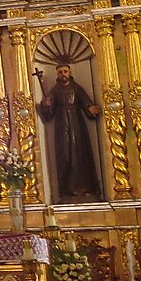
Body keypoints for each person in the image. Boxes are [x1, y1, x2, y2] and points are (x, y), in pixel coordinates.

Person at [38, 63, 102, 200]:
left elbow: (86, 103)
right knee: (65, 155)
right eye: (60, 72)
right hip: (61, 127)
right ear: (57, 74)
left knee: (81, 155)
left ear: (70, 73)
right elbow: (48, 114)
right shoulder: (54, 91)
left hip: (77, 124)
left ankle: (86, 188)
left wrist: (90, 108)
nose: (63, 74)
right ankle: (67, 190)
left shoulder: (77, 88)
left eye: (65, 71)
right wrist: (46, 106)